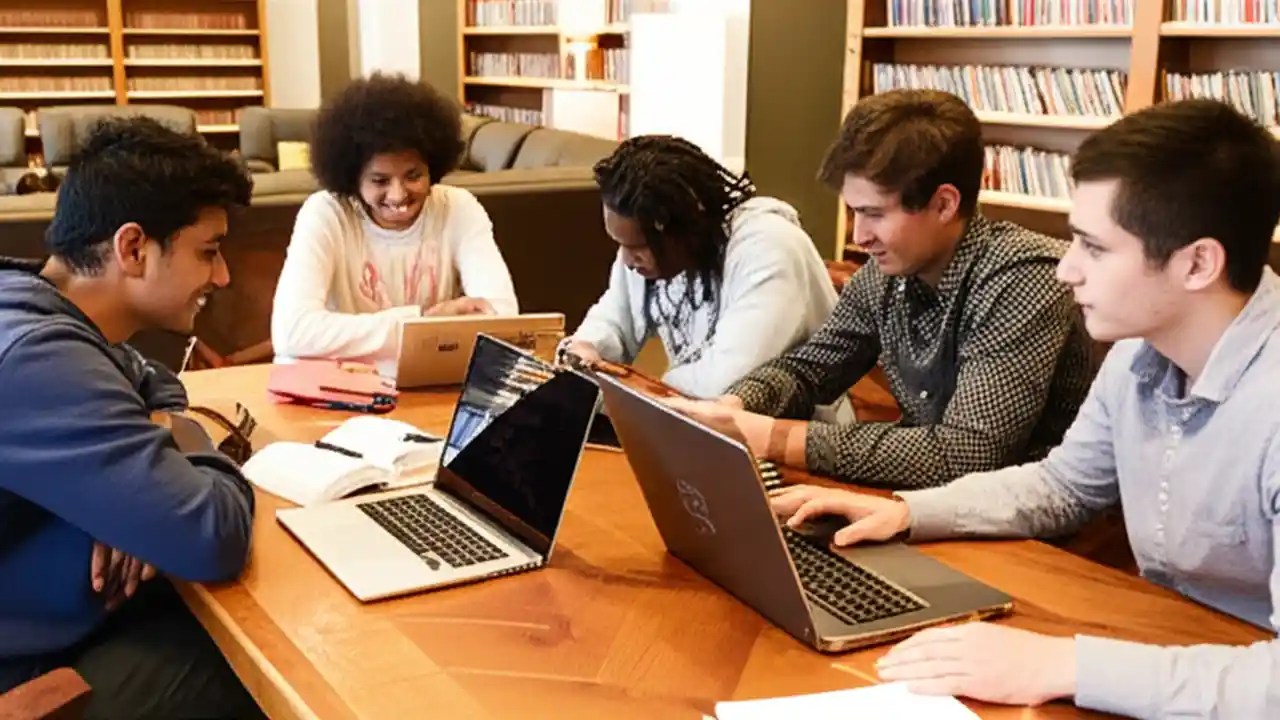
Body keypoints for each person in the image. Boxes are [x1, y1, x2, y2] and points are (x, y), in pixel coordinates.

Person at [770, 99, 1280, 718]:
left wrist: (1059, 664)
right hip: (1164, 647)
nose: (1067, 270)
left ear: (1197, 263)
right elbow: (1063, 484)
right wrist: (904, 512)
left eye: (1094, 247)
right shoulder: (1141, 350)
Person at [663, 89, 1095, 488]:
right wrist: (738, 404)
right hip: (929, 504)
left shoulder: (1025, 277)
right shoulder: (883, 276)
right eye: (853, 212)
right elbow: (809, 371)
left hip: (1035, 533)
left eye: (873, 214)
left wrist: (777, 438)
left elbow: (969, 452)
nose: (859, 235)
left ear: (944, 204)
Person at [0, 118, 262, 717]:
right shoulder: (37, 359)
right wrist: (174, 469)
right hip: (22, 680)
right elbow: (212, 532)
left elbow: (153, 379)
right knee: (268, 666)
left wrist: (152, 452)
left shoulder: (43, 308)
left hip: (55, 624)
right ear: (133, 248)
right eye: (209, 252)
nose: (221, 277)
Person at [558, 135, 844, 406]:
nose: (628, 260)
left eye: (637, 247)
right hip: (698, 423)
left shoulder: (770, 249)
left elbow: (723, 381)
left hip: (796, 435)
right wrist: (586, 349)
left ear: (682, 227)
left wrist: (635, 394)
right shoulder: (656, 249)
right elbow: (615, 318)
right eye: (621, 245)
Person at [271, 72, 518, 375]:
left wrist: (365, 337)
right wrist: (424, 321)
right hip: (344, 391)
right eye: (380, 181)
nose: (398, 195)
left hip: (431, 387)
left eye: (413, 176)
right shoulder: (326, 212)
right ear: (353, 178)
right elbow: (292, 332)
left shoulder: (459, 207)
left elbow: (503, 318)